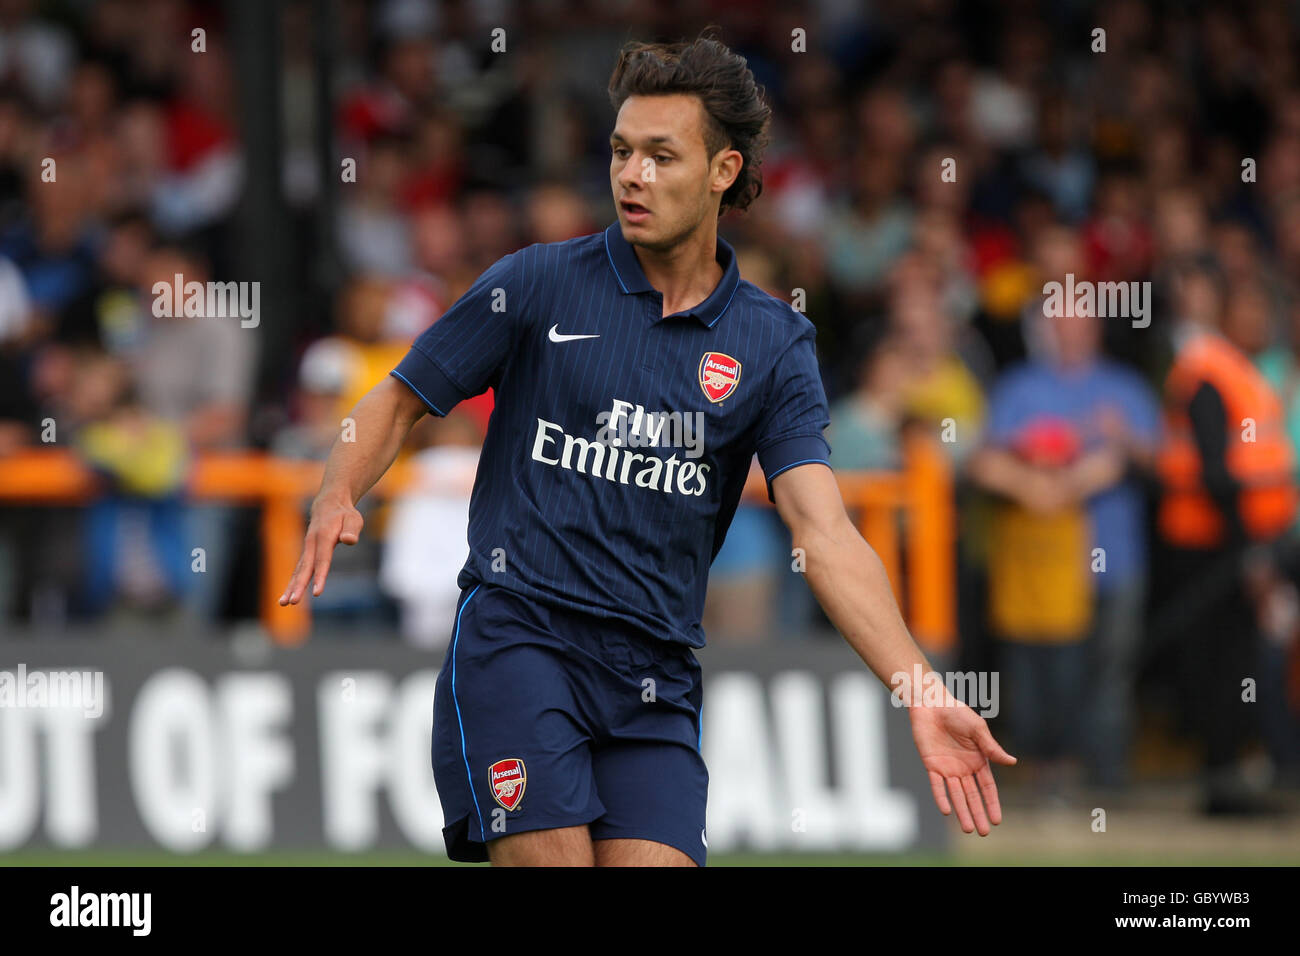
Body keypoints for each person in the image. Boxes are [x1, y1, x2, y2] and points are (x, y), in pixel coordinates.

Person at [281, 35, 1015, 867]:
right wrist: (339, 486)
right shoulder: (536, 282)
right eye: (622, 152)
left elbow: (826, 533)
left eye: (662, 155)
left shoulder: (774, 344)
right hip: (522, 638)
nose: (632, 174)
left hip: (654, 677)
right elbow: (398, 399)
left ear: (722, 172)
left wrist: (920, 690)